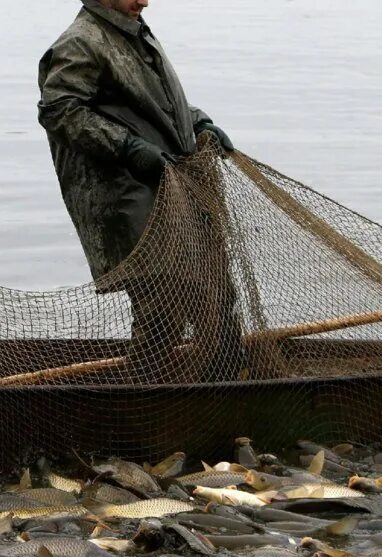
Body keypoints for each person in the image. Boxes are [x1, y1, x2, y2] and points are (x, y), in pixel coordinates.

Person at [38, 0, 246, 381]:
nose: (145, 0)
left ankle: (228, 387)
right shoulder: (80, 43)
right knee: (161, 306)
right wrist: (127, 148)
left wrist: (200, 123)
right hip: (129, 196)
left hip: (176, 190)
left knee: (216, 294)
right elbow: (59, 111)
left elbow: (157, 105)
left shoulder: (134, 31)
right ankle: (147, 403)